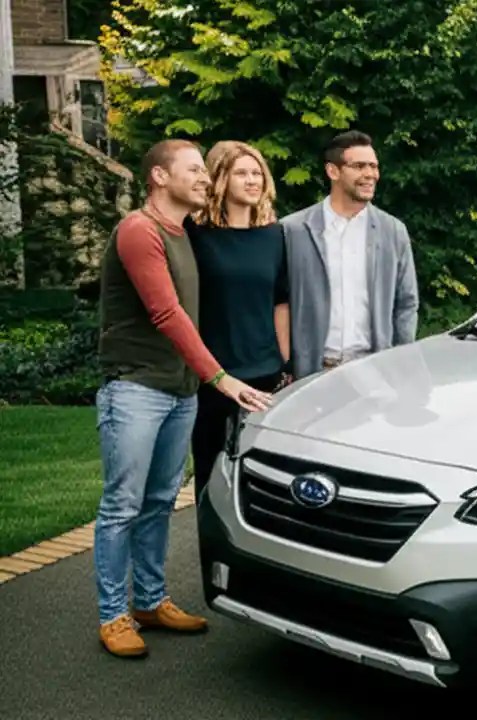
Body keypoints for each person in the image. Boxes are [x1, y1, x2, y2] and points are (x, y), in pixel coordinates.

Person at [94, 138, 273, 658]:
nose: (203, 177)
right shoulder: (138, 231)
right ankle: (113, 614)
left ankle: (150, 600)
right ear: (158, 177)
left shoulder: (184, 234)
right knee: (122, 505)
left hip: (178, 393)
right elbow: (166, 314)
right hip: (135, 388)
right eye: (193, 169)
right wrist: (222, 379)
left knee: (158, 503)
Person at [185, 140, 291, 501]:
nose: (252, 180)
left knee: (262, 481)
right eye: (241, 173)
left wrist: (285, 363)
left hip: (265, 374)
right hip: (214, 376)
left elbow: (281, 302)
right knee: (211, 479)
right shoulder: (195, 236)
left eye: (257, 172)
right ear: (220, 179)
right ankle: (211, 558)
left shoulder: (275, 236)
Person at [280, 130, 419, 379]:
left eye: (374, 166)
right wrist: (286, 364)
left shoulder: (392, 231)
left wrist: (400, 363)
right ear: (333, 171)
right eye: (359, 166)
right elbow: (279, 302)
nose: (370, 174)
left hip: (374, 373)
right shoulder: (293, 230)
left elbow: (406, 303)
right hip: (313, 373)